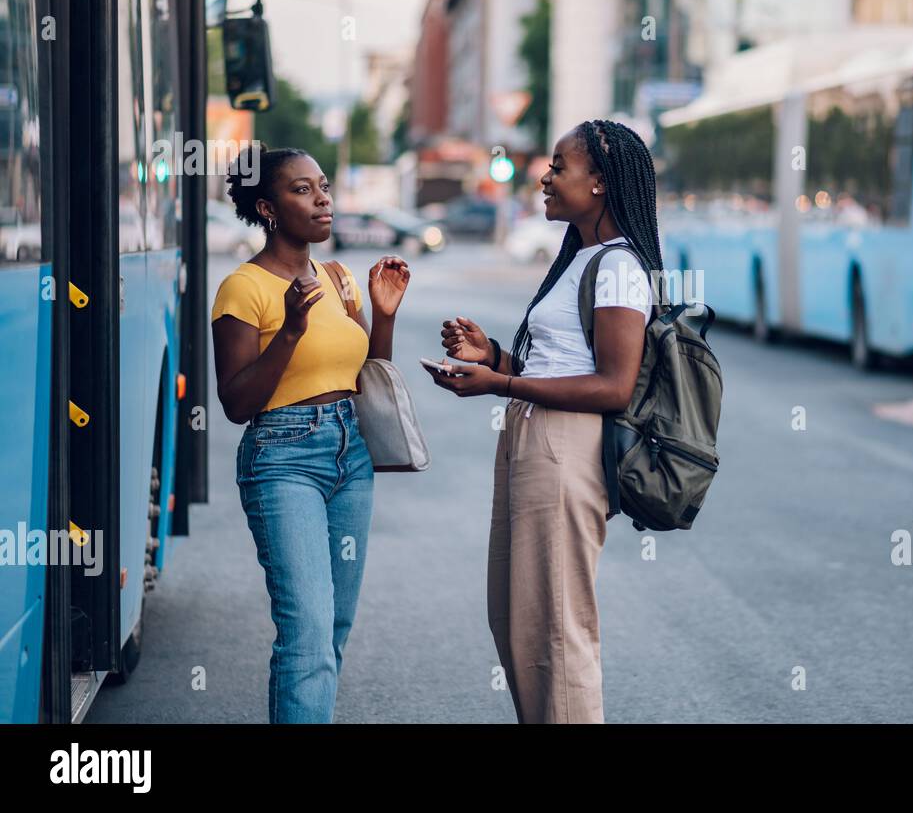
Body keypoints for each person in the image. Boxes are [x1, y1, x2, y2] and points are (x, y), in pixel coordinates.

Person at [430, 120, 660, 724]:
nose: (546, 176)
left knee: (557, 630)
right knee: (515, 621)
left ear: (602, 183)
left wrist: (501, 383)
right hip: (528, 435)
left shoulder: (618, 267)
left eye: (560, 166)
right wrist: (495, 357)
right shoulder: (580, 258)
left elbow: (613, 386)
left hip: (565, 446)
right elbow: (560, 364)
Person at [210, 145, 410, 723]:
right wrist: (290, 331)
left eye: (323, 186)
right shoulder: (242, 289)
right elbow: (236, 401)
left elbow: (368, 377)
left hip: (352, 456)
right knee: (307, 632)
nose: (322, 198)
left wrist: (384, 314)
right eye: (302, 189)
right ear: (268, 209)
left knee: (334, 628)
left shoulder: (338, 278)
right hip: (282, 456)